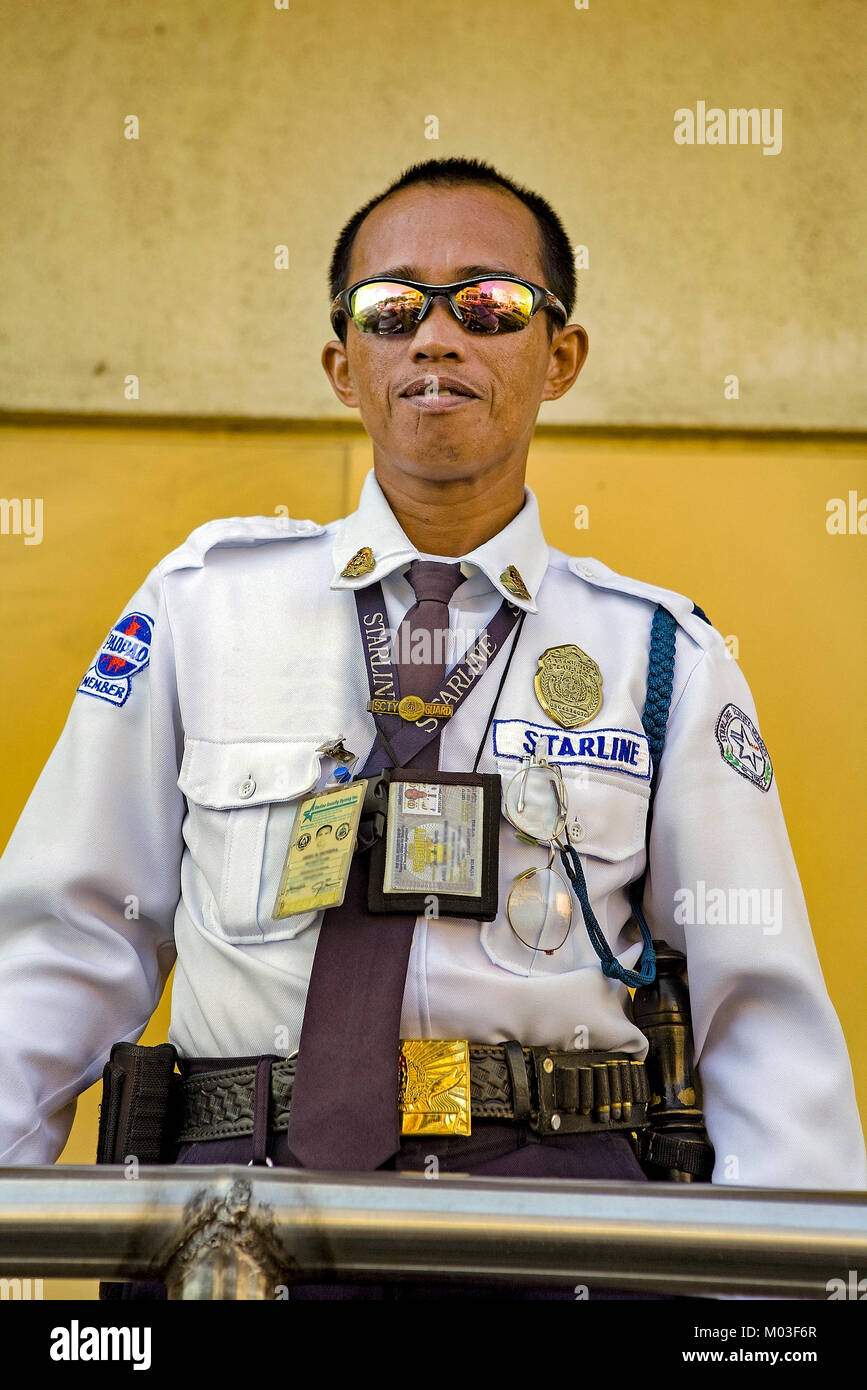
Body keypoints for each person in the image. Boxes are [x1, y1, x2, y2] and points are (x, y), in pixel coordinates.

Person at [0, 158, 864, 1302]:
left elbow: (759, 1018)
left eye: (490, 304)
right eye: (392, 308)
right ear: (341, 363)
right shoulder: (203, 607)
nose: (438, 338)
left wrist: (783, 1314)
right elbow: (64, 939)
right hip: (233, 1220)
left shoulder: (660, 656)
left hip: (564, 1226)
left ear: (560, 355)